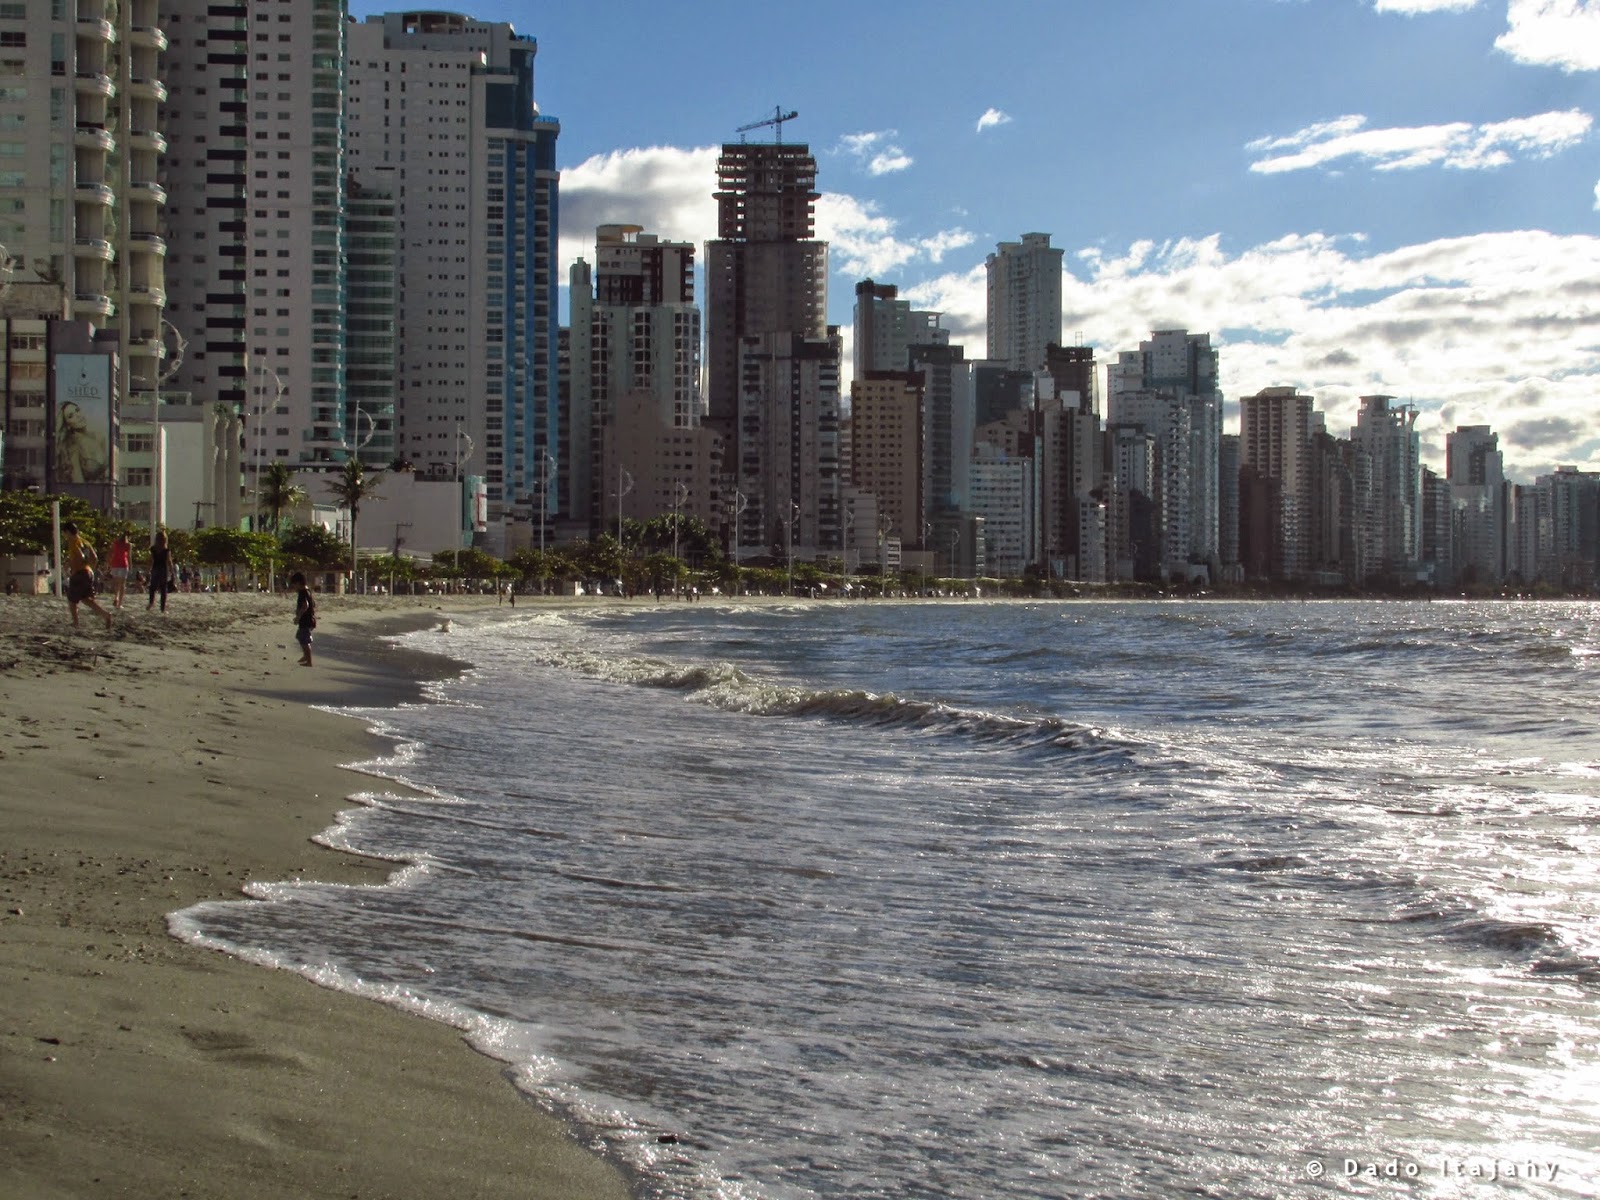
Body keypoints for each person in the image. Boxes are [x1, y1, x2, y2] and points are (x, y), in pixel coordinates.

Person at [62, 521, 112, 631]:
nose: (64, 536)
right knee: (85, 599)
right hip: (88, 573)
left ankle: (75, 624)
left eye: (64, 533)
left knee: (72, 600)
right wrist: (90, 568)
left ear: (67, 532)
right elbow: (95, 558)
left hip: (79, 573)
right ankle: (106, 615)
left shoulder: (73, 541)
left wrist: (72, 565)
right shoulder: (85, 542)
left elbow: (80, 556)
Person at [291, 571, 316, 666]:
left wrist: (298, 616)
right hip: (308, 619)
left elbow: (305, 605)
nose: (294, 588)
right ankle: (306, 656)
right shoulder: (308, 591)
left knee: (304, 640)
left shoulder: (303, 593)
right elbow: (312, 604)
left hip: (306, 620)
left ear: (298, 583)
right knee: (300, 637)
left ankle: (309, 660)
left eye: (294, 585)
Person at [147, 530, 173, 612]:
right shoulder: (166, 550)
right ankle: (162, 608)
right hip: (163, 569)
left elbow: (151, 560)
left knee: (153, 587)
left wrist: (149, 569)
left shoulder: (153, 549)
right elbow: (169, 561)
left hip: (155, 568)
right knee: (163, 588)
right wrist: (172, 571)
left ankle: (151, 603)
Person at [107, 532, 131, 609]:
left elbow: (110, 553)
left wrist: (109, 563)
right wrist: (130, 565)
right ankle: (120, 603)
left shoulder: (115, 543)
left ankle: (116, 597)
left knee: (116, 583)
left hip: (115, 564)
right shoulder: (128, 545)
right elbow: (129, 556)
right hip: (123, 564)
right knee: (122, 584)